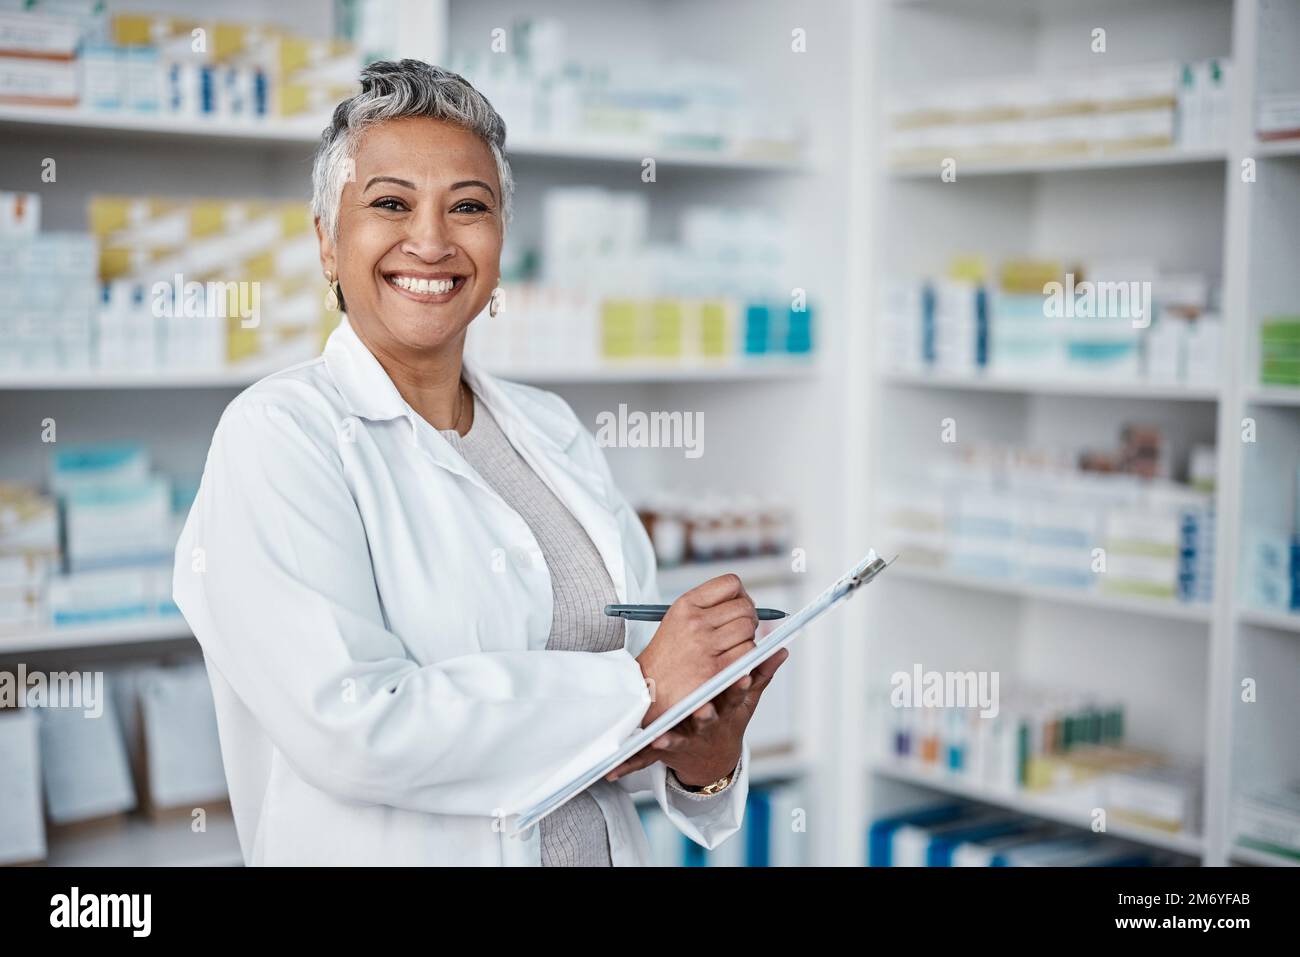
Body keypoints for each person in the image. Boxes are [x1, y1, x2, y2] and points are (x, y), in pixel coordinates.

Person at [172, 59, 788, 866]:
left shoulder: (549, 428)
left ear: (499, 246)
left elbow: (617, 736)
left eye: (468, 207)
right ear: (327, 242)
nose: (430, 240)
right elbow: (358, 727)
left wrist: (701, 750)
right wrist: (638, 690)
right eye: (390, 203)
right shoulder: (280, 435)